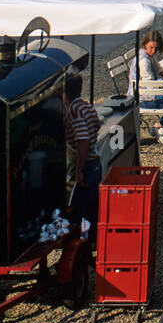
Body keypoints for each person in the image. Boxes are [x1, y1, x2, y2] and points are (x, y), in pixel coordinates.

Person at [62, 75, 101, 235]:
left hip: (86, 166)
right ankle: (92, 239)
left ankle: (79, 240)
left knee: (77, 209)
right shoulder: (87, 107)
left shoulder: (74, 111)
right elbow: (97, 124)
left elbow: (83, 141)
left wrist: (79, 170)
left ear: (64, 94)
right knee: (92, 207)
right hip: (95, 162)